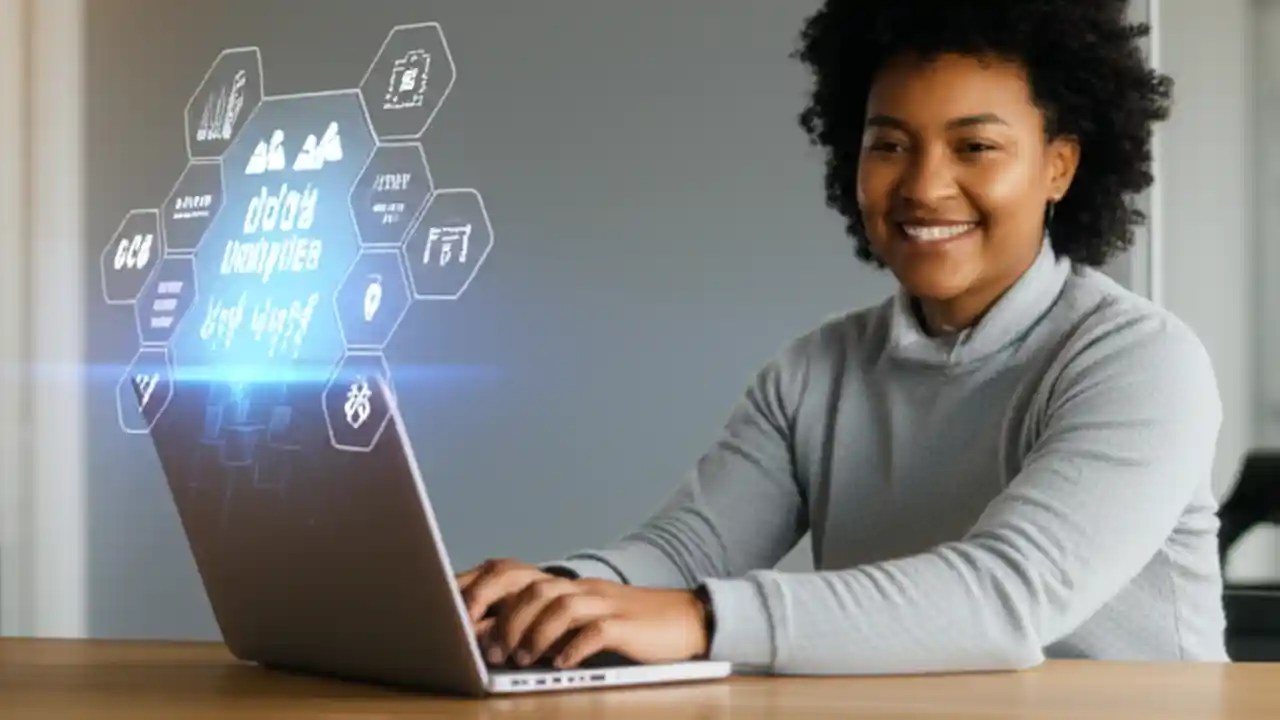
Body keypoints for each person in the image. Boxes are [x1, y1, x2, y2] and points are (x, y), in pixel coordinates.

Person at [458, 0, 1226, 675]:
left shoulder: (1141, 363)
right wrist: (550, 594)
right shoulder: (816, 370)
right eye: (889, 143)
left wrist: (703, 619)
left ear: (1059, 166)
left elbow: (1006, 598)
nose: (924, 185)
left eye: (976, 147)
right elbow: (689, 553)